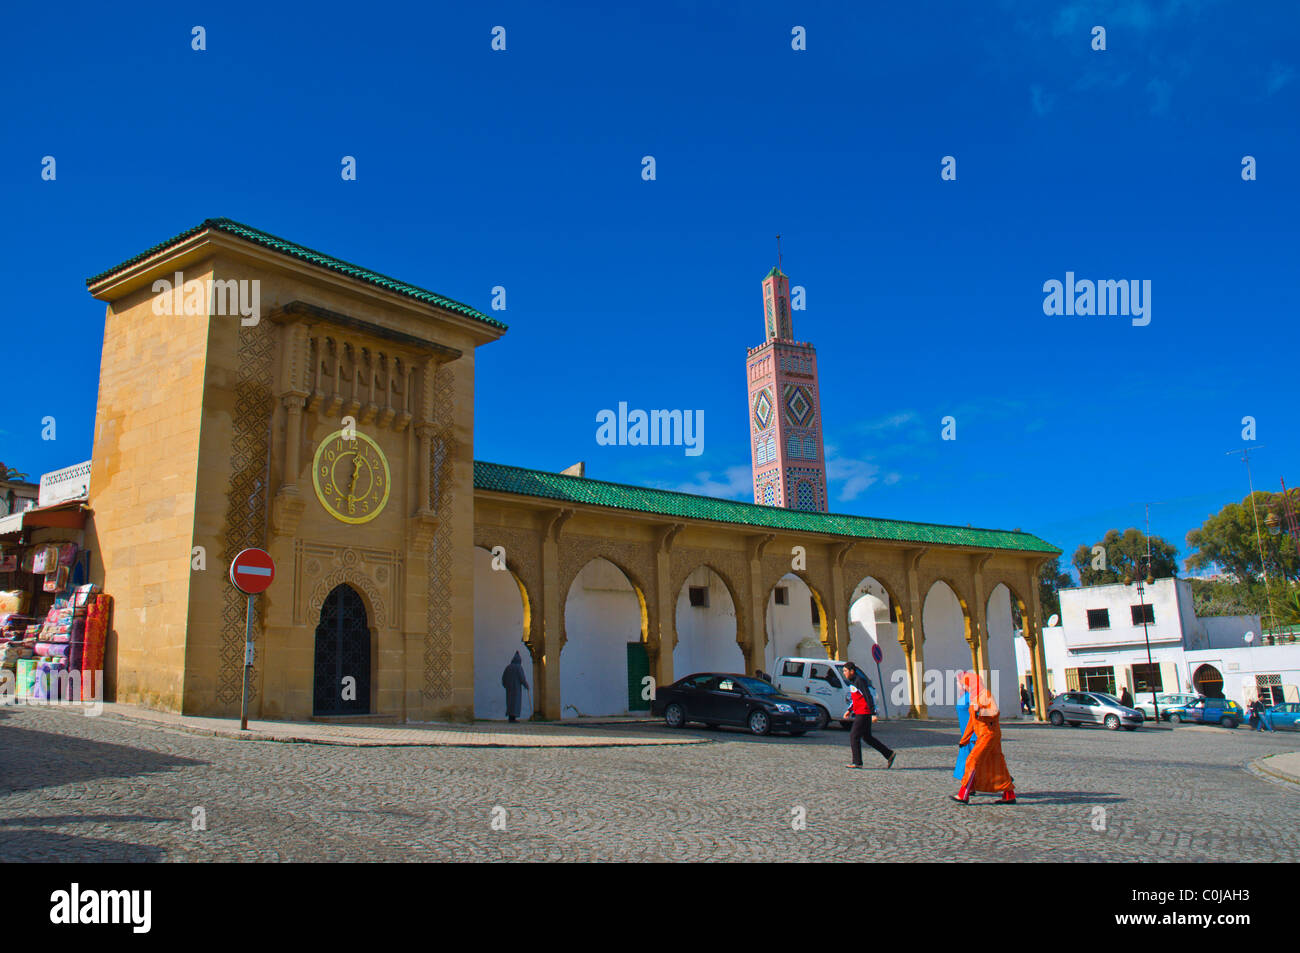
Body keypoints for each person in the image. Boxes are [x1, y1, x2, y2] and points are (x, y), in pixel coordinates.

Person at [952, 671, 1015, 805]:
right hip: (984, 734)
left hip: (989, 735)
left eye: (966, 685)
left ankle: (963, 794)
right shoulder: (974, 698)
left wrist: (980, 712)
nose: (966, 688)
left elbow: (994, 711)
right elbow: (972, 722)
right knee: (998, 765)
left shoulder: (985, 695)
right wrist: (964, 740)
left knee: (972, 760)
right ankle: (1009, 795)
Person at [842, 661, 895, 769]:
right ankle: (889, 754)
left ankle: (857, 762)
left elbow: (867, 696)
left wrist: (873, 713)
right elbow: (857, 698)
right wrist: (850, 709)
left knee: (854, 736)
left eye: (845, 671)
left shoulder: (859, 681)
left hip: (864, 713)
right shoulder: (853, 681)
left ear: (852, 671)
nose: (844, 673)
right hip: (860, 712)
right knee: (867, 737)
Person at [955, 673, 975, 782]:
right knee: (967, 763)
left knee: (972, 763)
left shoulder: (973, 697)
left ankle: (965, 791)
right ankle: (968, 788)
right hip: (967, 737)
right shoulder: (964, 697)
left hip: (973, 736)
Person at [501, 650, 529, 722]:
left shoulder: (508, 667)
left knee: (510, 702)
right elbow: (522, 678)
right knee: (515, 702)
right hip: (516, 689)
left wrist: (506, 686)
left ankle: (511, 717)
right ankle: (513, 717)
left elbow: (503, 678)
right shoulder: (518, 667)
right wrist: (526, 685)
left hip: (509, 689)